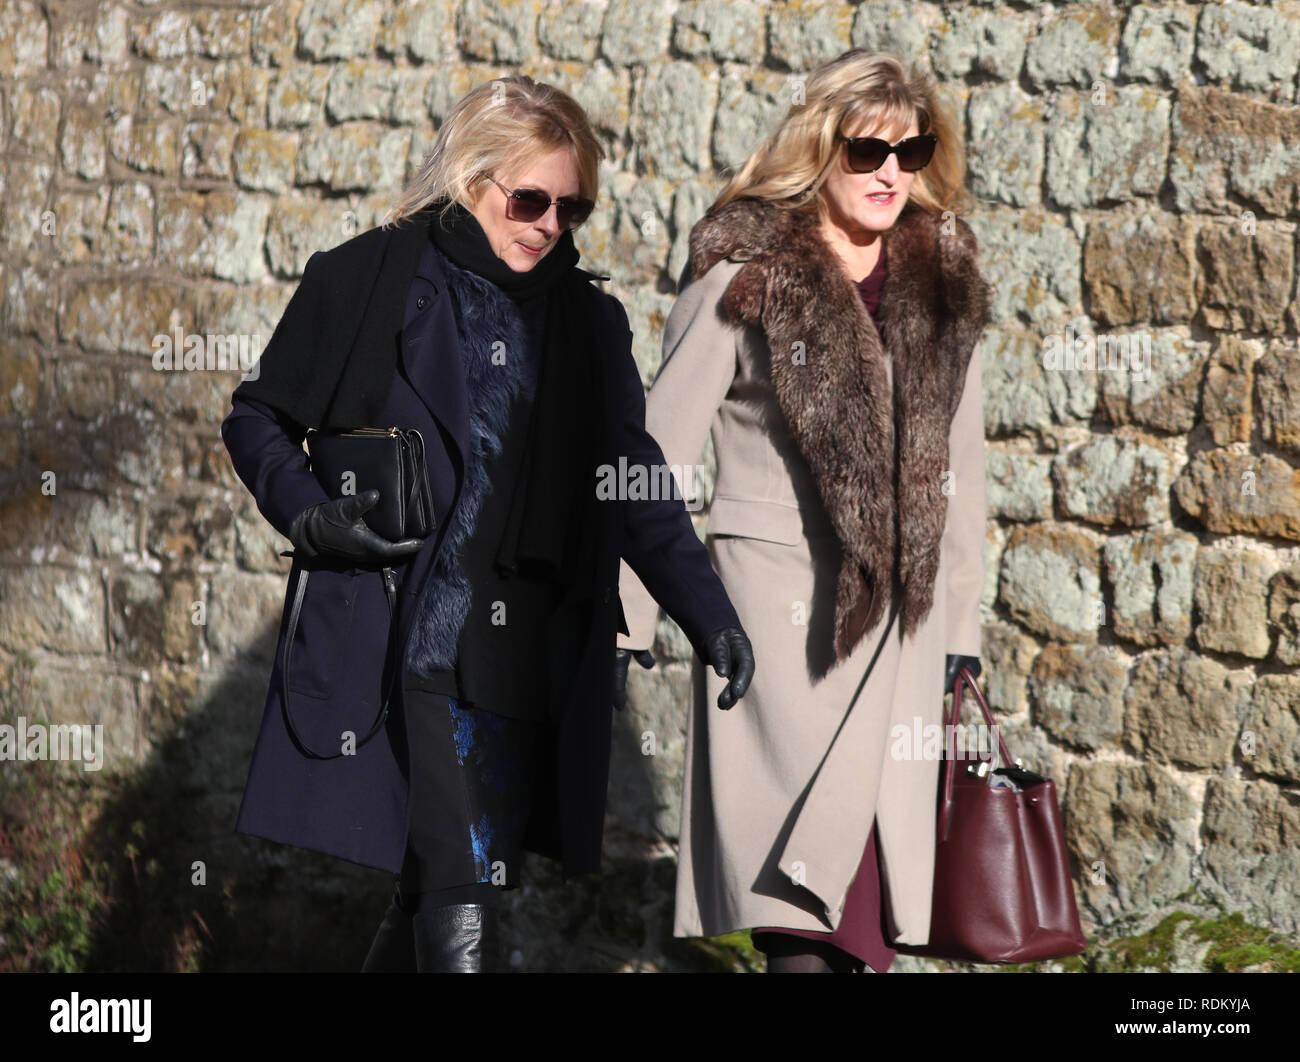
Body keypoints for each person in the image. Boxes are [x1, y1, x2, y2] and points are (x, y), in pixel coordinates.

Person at [221, 76, 754, 973]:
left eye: (572, 208)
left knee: (445, 884)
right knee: (465, 896)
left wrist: (713, 615)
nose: (550, 224)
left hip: (527, 652)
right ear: (471, 176)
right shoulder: (368, 277)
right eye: (532, 198)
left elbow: (635, 485)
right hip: (407, 641)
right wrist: (312, 519)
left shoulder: (591, 322)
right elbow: (256, 418)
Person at [615, 49, 993, 973]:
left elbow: (964, 484)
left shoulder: (942, 281)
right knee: (799, 927)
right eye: (867, 151)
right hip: (777, 642)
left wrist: (961, 646)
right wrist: (622, 626)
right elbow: (652, 460)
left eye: (912, 151)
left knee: (866, 934)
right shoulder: (743, 273)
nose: (890, 173)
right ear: (820, 149)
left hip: (899, 651)